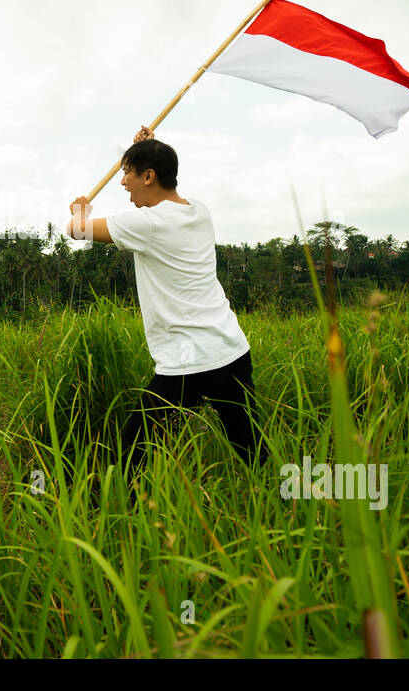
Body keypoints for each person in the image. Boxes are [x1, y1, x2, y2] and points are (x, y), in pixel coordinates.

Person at [66, 125, 266, 502]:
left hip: (189, 362)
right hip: (231, 350)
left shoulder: (147, 223)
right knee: (249, 446)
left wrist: (79, 209)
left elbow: (75, 230)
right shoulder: (198, 211)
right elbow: (159, 188)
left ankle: (110, 515)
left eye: (128, 173)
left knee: (134, 447)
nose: (123, 182)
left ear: (149, 176)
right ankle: (278, 505)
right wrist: (144, 150)